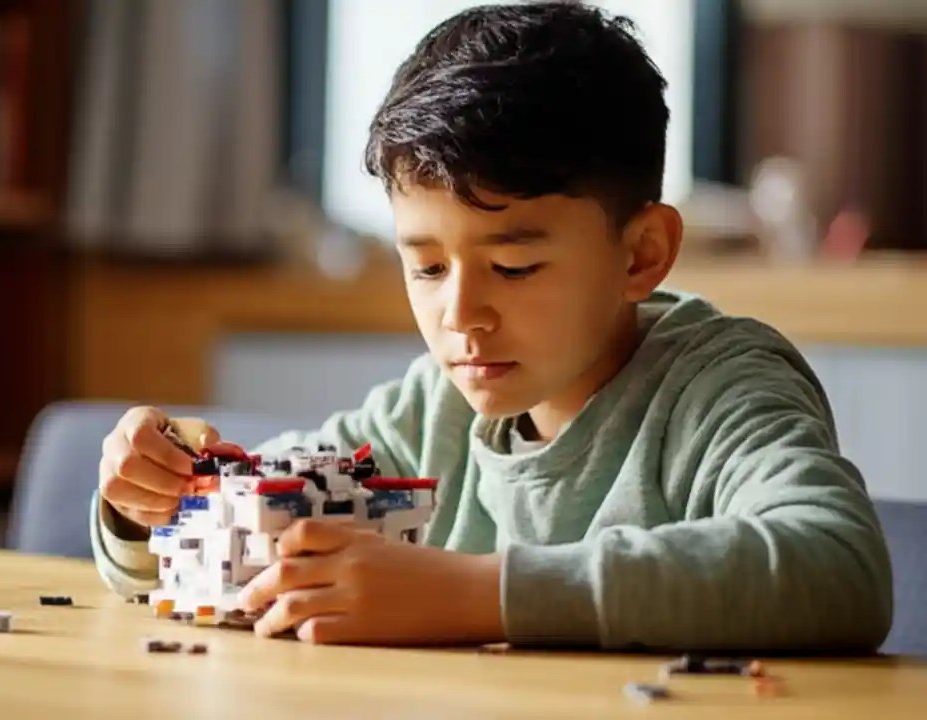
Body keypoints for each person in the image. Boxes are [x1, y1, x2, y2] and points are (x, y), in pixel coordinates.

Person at [90, 1, 893, 651]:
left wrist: (482, 594)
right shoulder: (431, 410)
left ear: (642, 254)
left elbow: (840, 567)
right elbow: (262, 529)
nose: (461, 317)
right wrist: (155, 501)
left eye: (513, 267)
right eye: (429, 268)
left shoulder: (718, 387)